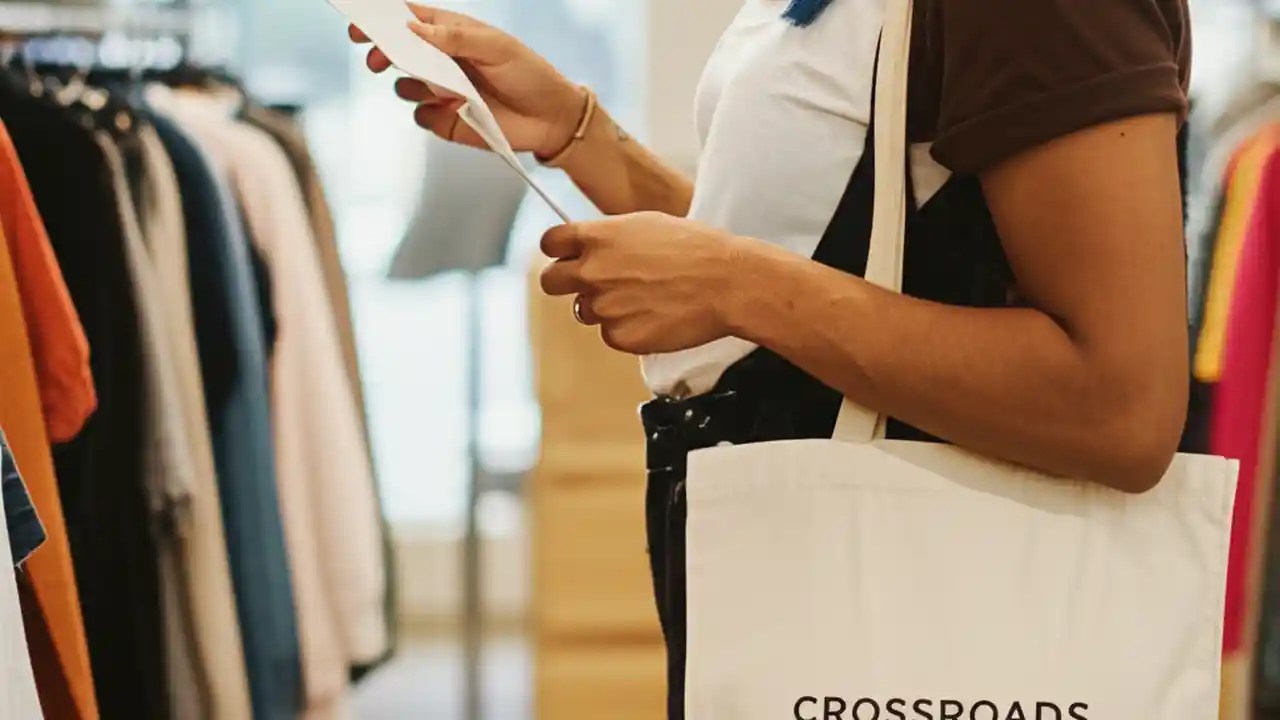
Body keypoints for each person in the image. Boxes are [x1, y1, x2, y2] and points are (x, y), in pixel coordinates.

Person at [351, 1, 1192, 717]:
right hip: (808, 592)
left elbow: (1120, 404)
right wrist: (578, 134)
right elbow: (833, 251)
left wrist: (735, 284)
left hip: (911, 610)